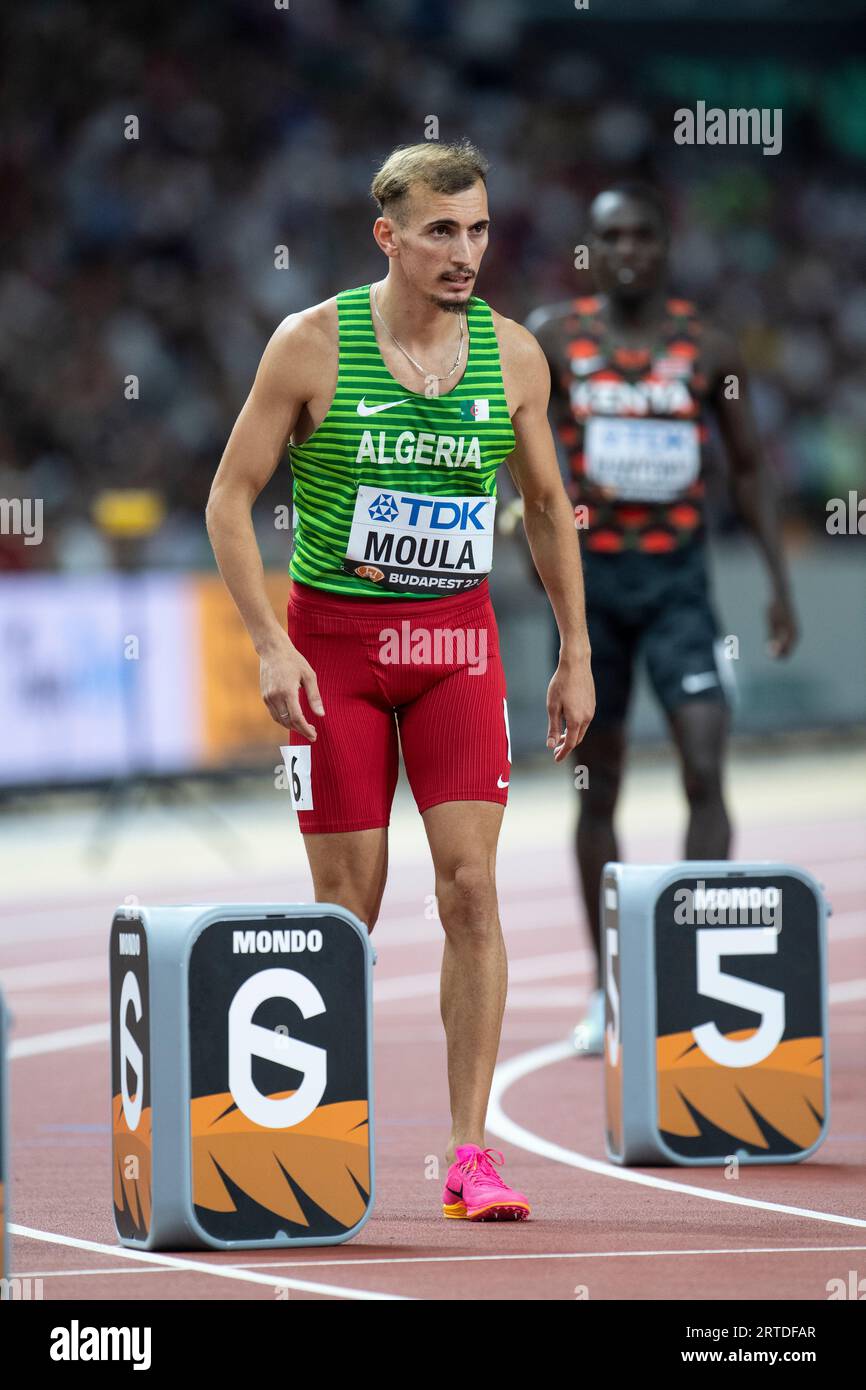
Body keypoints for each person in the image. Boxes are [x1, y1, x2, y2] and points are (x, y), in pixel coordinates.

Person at [206, 141, 595, 1219]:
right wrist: (265, 642)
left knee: (470, 888)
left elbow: (552, 507)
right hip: (330, 654)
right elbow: (228, 500)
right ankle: (311, 1141)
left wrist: (574, 650)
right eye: (439, 230)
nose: (464, 251)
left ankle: (469, 1157)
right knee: (347, 908)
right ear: (388, 235)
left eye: (476, 229)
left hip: (456, 650)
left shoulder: (514, 356)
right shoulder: (312, 344)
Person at [523, 183, 797, 1055]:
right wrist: (512, 531)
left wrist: (778, 579)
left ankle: (692, 975)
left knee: (707, 771)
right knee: (596, 787)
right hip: (589, 591)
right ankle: (608, 992)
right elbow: (514, 446)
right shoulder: (555, 336)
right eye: (614, 237)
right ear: (591, 252)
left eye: (645, 235)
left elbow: (747, 467)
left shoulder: (708, 344)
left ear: (664, 248)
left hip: (681, 589)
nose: (631, 250)